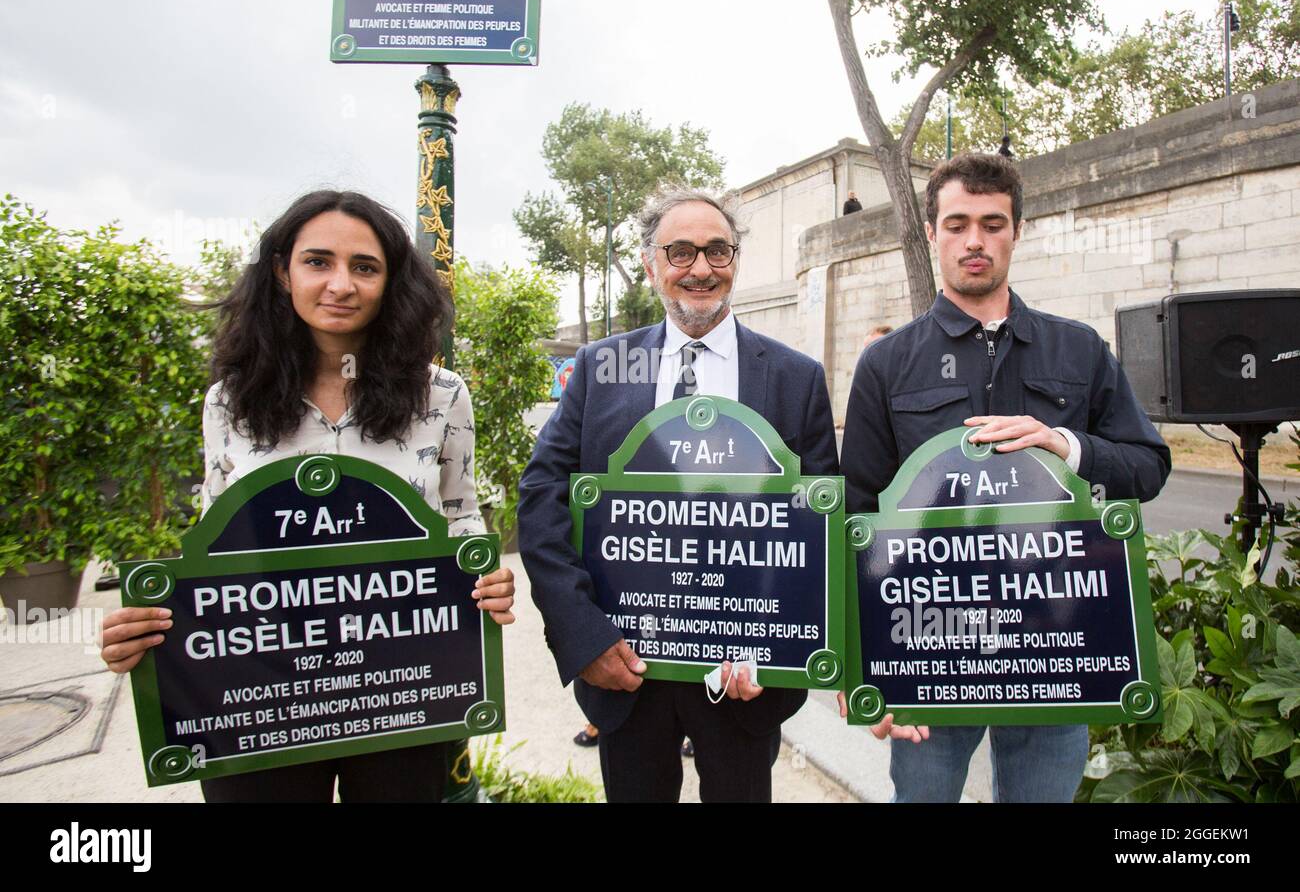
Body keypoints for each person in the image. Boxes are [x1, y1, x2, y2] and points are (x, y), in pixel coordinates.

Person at [98, 189, 517, 802]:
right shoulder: (229, 402)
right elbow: (219, 546)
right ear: (281, 271)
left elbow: (459, 515)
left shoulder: (442, 396)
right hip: (263, 702)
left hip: (400, 693)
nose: (340, 284)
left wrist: (485, 578)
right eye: (318, 261)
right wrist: (150, 623)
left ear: (392, 282)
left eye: (365, 267)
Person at [839, 153, 1170, 802]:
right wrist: (863, 671)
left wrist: (1065, 446)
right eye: (957, 223)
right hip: (928, 646)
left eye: (993, 224)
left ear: (1018, 230)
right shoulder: (886, 364)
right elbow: (854, 515)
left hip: (1053, 638)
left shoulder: (1078, 351)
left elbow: (1148, 465)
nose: (974, 241)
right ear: (931, 233)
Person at [519, 185, 838, 802]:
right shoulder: (600, 367)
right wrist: (584, 635)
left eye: (718, 251)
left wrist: (781, 647)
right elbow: (541, 496)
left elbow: (816, 525)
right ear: (650, 263)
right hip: (627, 668)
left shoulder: (796, 378)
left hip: (746, 676)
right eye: (681, 251)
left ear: (736, 260)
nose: (700, 269)